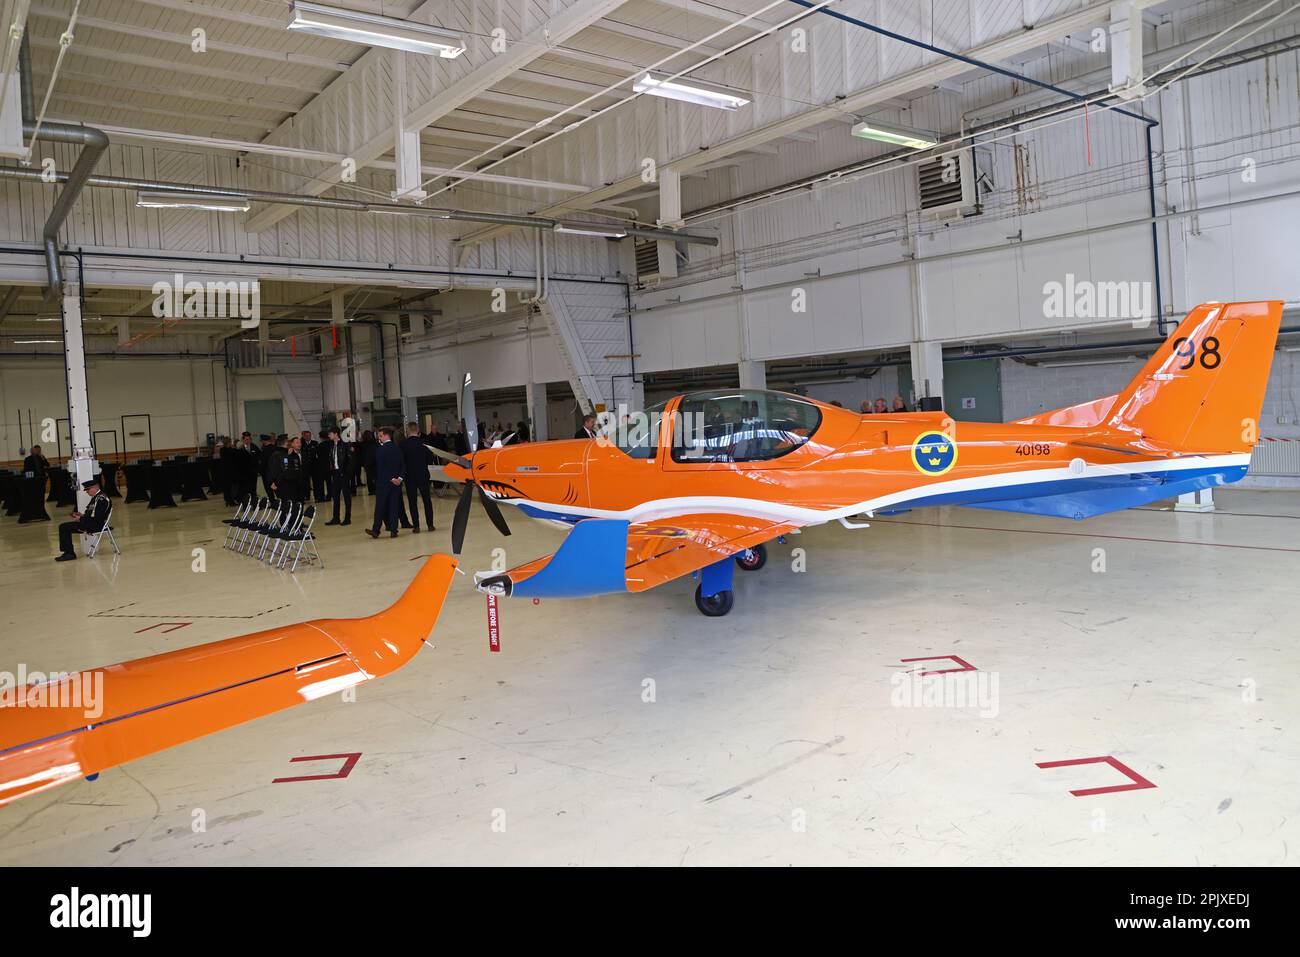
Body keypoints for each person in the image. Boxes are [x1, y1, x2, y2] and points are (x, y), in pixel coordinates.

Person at [54, 477, 111, 562]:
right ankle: (68, 552)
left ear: (95, 487)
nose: (87, 492)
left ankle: (69, 553)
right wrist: (81, 516)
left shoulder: (102, 499)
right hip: (90, 523)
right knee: (64, 527)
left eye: (88, 490)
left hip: (95, 525)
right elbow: (92, 514)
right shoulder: (96, 497)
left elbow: (97, 517)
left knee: (63, 527)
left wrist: (81, 518)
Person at [366, 427, 405, 539]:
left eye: (380, 436)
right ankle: (393, 530)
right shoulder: (397, 449)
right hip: (396, 484)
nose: (379, 438)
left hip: (383, 483)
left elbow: (381, 468)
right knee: (394, 507)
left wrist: (391, 478)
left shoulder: (380, 450)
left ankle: (376, 530)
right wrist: (400, 478)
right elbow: (403, 465)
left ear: (386, 436)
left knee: (380, 507)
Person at [400, 422, 435, 532]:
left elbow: (402, 462)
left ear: (408, 430)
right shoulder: (424, 443)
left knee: (412, 501)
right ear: (418, 429)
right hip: (423, 475)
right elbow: (430, 459)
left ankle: (416, 526)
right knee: (427, 500)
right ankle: (430, 525)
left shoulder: (403, 444)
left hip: (409, 476)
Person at [322, 427, 352, 525]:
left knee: (346, 496)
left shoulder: (345, 444)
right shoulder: (331, 445)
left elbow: (350, 459)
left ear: (336, 434)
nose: (329, 435)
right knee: (335, 496)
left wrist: (345, 471)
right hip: (335, 473)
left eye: (330, 433)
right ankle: (336, 518)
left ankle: (347, 518)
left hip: (343, 473)